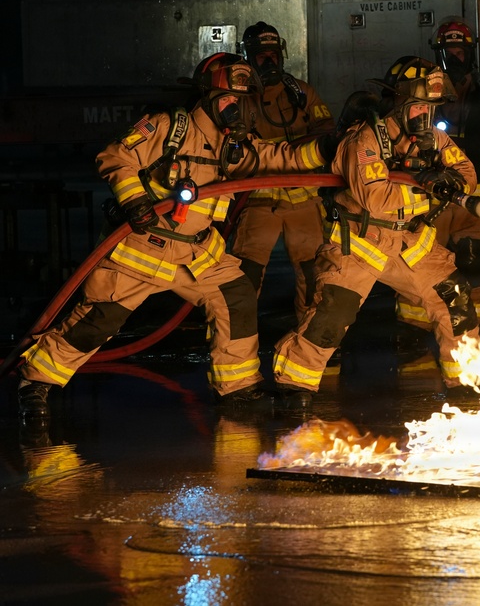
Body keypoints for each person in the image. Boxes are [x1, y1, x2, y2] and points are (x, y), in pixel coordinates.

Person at [15, 53, 333, 419]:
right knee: (99, 319)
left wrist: (323, 149)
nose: (238, 111)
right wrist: (134, 201)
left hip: (197, 253)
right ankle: (35, 383)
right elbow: (115, 156)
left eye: (243, 103)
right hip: (143, 249)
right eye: (229, 101)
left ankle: (238, 388)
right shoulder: (168, 128)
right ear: (208, 99)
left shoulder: (231, 148)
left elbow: (275, 158)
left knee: (237, 294)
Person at [273, 56, 480, 407]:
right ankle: (295, 387)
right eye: (418, 108)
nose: (425, 118)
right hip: (360, 244)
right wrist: (425, 187)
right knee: (333, 314)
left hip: (411, 245)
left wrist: (450, 179)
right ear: (398, 103)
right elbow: (375, 197)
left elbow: (467, 173)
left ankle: (463, 382)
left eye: (431, 110)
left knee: (455, 299)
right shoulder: (365, 140)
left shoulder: (436, 138)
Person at [394, 18, 480, 365]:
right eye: (448, 50)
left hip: (473, 195)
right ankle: (412, 335)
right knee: (424, 263)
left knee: (471, 263)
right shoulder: (426, 90)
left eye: (460, 49)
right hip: (432, 196)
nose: (455, 56)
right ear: (437, 53)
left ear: (470, 52)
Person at [231, 21, 336, 324]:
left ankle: (312, 341)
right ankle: (235, 342)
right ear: (249, 58)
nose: (270, 61)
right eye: (262, 56)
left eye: (274, 54)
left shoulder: (300, 93)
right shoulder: (238, 97)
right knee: (244, 276)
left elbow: (326, 131)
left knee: (313, 274)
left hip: (303, 200)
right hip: (258, 201)